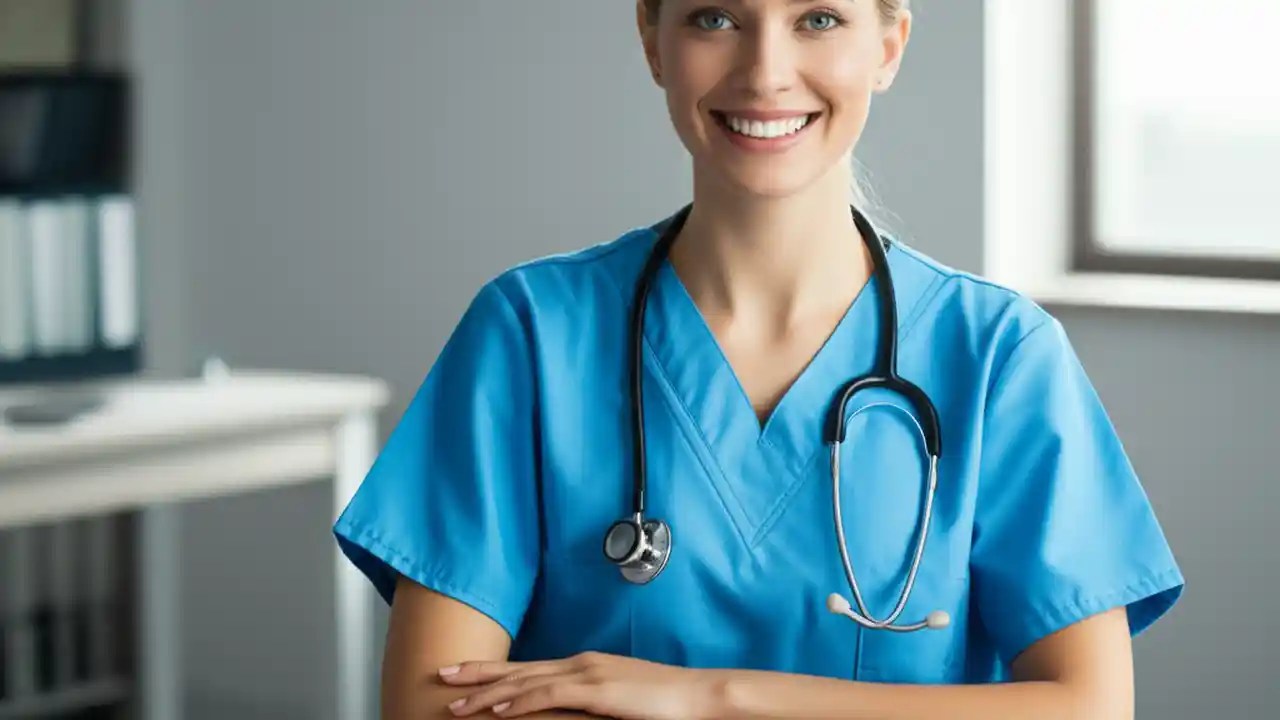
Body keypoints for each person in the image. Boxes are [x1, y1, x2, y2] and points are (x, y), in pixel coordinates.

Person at [333, 1, 1184, 718]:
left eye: (818, 18)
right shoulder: (529, 334)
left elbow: (1084, 706)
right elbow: (432, 702)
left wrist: (713, 696)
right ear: (651, 38)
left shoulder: (998, 354)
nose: (765, 72)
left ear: (887, 46)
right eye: (715, 18)